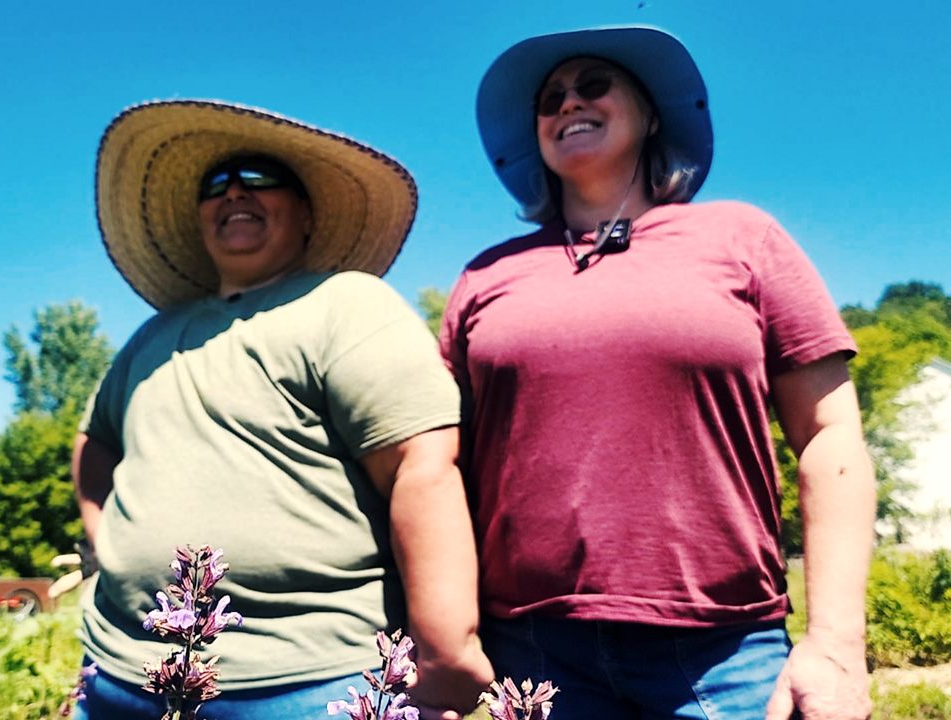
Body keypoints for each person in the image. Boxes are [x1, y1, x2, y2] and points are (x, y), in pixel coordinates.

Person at [441, 26, 875, 719]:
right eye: (550, 99)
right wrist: (442, 639)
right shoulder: (485, 276)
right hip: (529, 649)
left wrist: (836, 644)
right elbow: (438, 468)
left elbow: (830, 437)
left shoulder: (743, 238)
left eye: (593, 86)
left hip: (726, 652)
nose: (567, 103)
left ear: (650, 116)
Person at [72, 99, 493, 720]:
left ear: (306, 214)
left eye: (262, 179)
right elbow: (94, 443)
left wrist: (447, 648)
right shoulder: (152, 337)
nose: (235, 192)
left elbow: (421, 468)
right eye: (217, 184)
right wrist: (106, 545)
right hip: (120, 673)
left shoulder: (345, 304)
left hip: (309, 680)